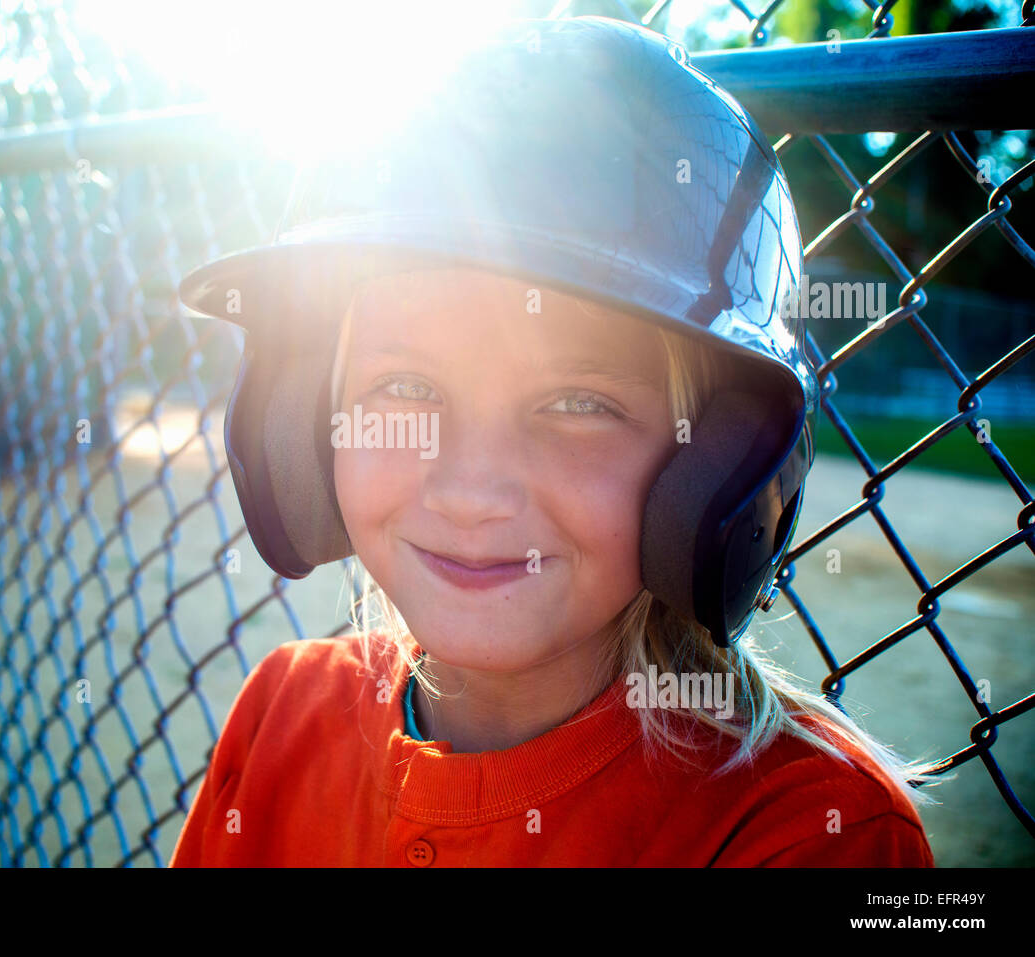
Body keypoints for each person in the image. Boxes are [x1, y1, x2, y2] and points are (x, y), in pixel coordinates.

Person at [168, 16, 943, 867]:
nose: (470, 489)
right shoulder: (280, 711)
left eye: (578, 401)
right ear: (309, 423)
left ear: (720, 462)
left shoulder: (807, 828)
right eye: (407, 388)